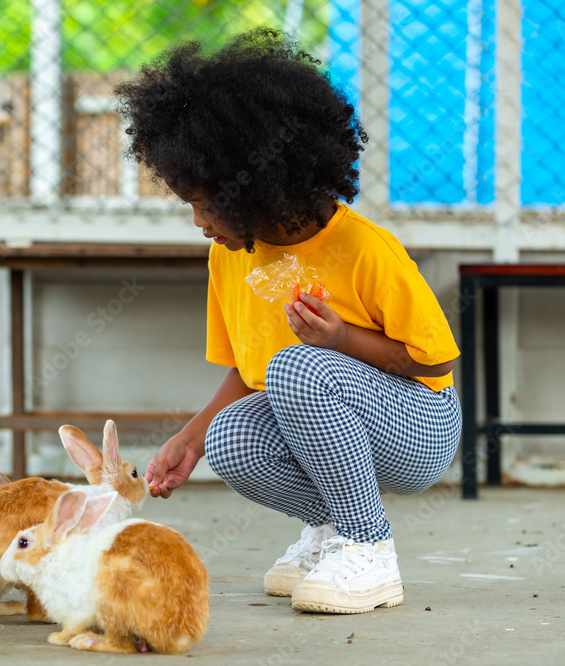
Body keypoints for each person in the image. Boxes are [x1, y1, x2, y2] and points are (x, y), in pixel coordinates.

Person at [115, 27, 461, 615]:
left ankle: (370, 550)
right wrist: (191, 439)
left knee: (299, 366)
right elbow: (251, 374)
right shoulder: (230, 252)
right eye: (188, 204)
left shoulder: (365, 248)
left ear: (262, 185)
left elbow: (436, 360)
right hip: (320, 407)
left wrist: (340, 339)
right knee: (232, 438)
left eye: (207, 202)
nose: (199, 221)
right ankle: (331, 532)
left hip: (420, 425)